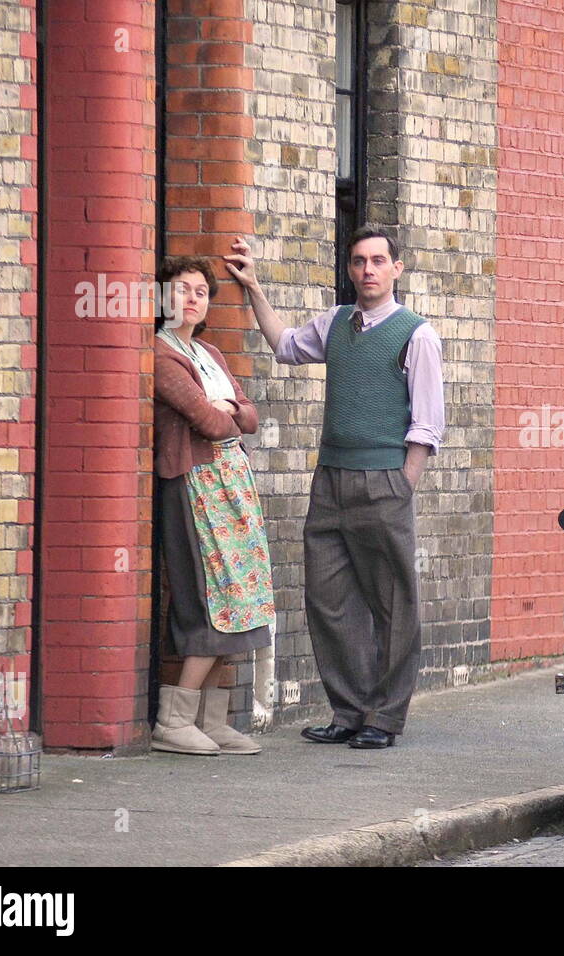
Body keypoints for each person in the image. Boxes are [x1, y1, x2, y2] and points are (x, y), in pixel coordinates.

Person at [224, 227, 444, 749]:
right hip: (330, 480)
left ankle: (384, 719)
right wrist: (254, 287)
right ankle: (348, 711)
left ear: (396, 269)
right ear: (349, 269)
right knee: (328, 600)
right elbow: (284, 345)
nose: (368, 270)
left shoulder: (417, 334)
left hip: (383, 481)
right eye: (358, 261)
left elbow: (428, 425)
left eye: (378, 261)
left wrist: (401, 487)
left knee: (393, 604)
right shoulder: (337, 323)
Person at [152, 255, 275, 756]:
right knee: (209, 596)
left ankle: (213, 716)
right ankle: (172, 720)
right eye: (182, 289)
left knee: (241, 599)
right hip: (194, 483)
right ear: (161, 297)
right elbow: (208, 420)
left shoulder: (209, 353)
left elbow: (249, 414)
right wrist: (227, 412)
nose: (193, 298)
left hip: (233, 487)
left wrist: (231, 412)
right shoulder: (161, 354)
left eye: (201, 291)